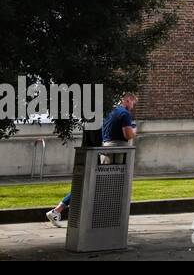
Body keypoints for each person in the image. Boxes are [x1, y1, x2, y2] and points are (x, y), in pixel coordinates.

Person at [47, 93, 138, 227]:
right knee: (108, 187)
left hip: (104, 149)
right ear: (128, 99)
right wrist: (134, 131)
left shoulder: (108, 113)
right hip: (117, 151)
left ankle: (58, 209)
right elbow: (128, 135)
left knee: (92, 183)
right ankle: (101, 218)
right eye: (133, 103)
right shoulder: (124, 114)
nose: (133, 106)